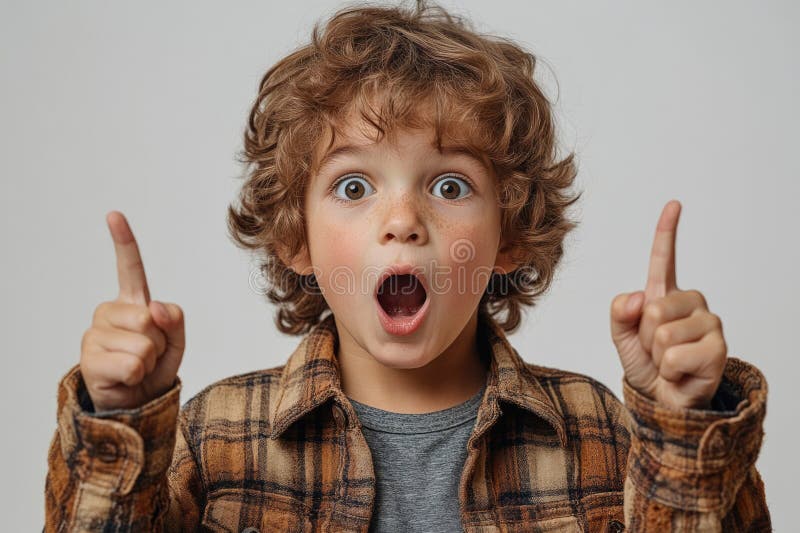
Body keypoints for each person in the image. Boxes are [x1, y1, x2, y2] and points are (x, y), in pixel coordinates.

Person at [43, 1, 771, 531]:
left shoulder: (599, 436)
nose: (402, 220)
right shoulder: (213, 437)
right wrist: (119, 421)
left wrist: (681, 423)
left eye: (449, 185)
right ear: (297, 237)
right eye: (353, 186)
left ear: (508, 234)